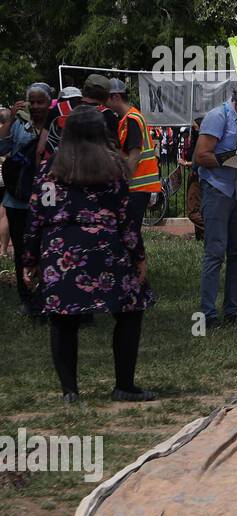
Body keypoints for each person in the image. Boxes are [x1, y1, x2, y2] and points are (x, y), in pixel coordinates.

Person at [20, 108, 156, 403]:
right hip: (106, 252)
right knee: (131, 310)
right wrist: (139, 257)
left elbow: (35, 219)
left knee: (62, 320)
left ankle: (70, 391)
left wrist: (29, 262)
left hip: (59, 254)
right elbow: (126, 220)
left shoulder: (48, 172)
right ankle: (124, 385)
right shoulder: (114, 171)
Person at [194, 83, 237, 325]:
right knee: (215, 253)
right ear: (236, 99)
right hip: (217, 190)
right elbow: (201, 156)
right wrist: (228, 160)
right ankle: (208, 314)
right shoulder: (217, 117)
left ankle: (233, 311)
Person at [0, 83, 56, 315]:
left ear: (49, 103)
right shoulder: (19, 125)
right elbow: (2, 145)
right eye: (31, 102)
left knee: (47, 247)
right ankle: (27, 297)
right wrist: (10, 120)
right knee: (22, 249)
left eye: (39, 102)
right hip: (18, 200)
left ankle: (47, 295)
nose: (35, 106)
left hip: (47, 198)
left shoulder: (57, 125)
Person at [106, 78, 162, 235]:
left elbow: (134, 156)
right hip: (138, 187)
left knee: (130, 234)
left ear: (116, 97)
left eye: (106, 98)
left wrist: (123, 184)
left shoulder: (131, 120)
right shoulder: (128, 118)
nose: (104, 104)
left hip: (136, 187)